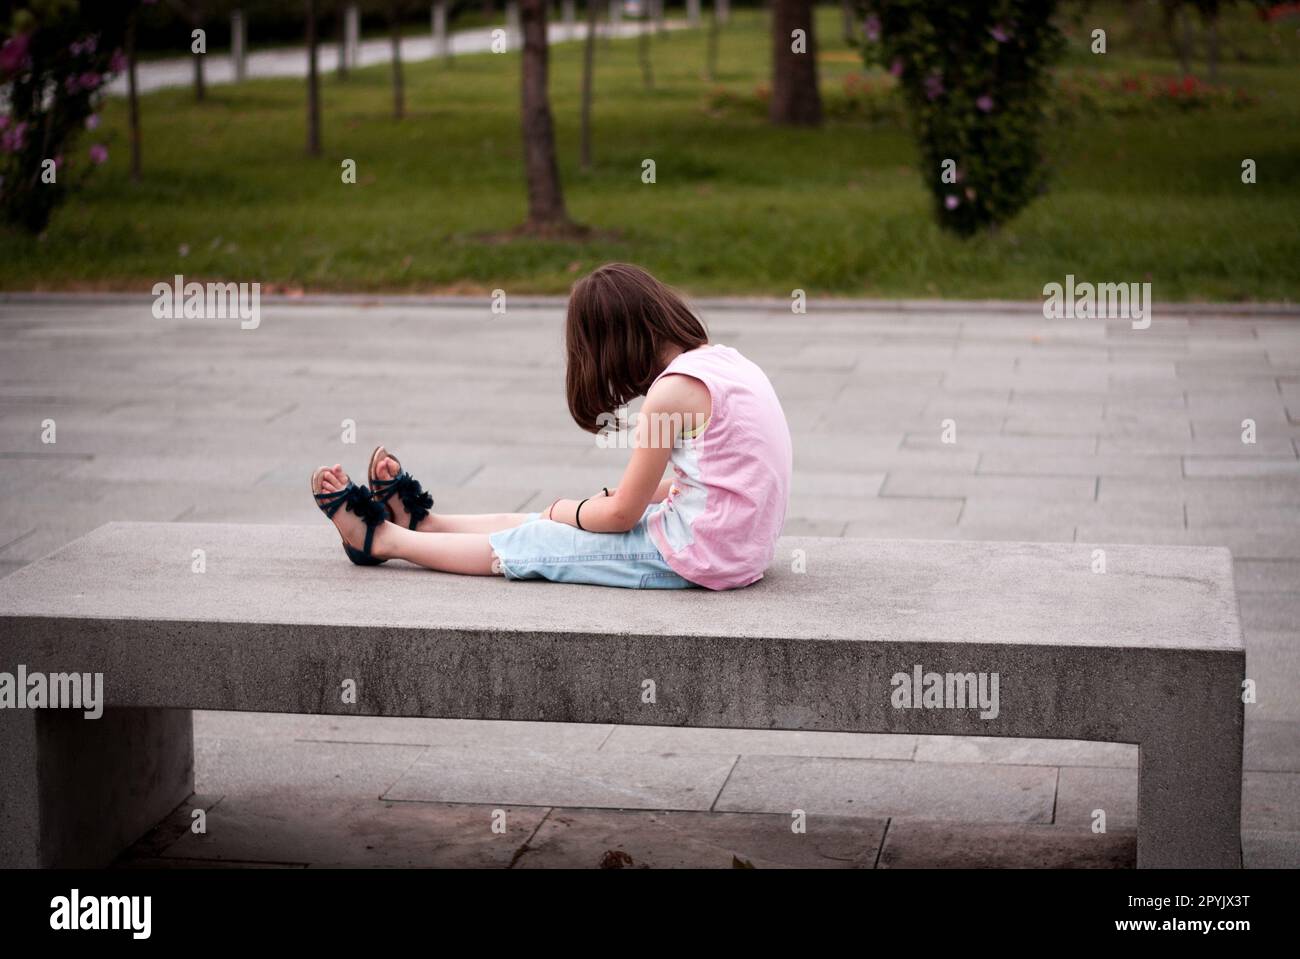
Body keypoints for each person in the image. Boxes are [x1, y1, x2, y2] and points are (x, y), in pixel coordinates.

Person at [310, 263, 792, 590]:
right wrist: (614, 501)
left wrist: (570, 510)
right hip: (732, 542)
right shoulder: (724, 361)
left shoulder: (672, 391)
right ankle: (426, 524)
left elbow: (621, 517)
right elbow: (722, 472)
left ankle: (382, 539)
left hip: (703, 555)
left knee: (539, 540)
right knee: (555, 519)